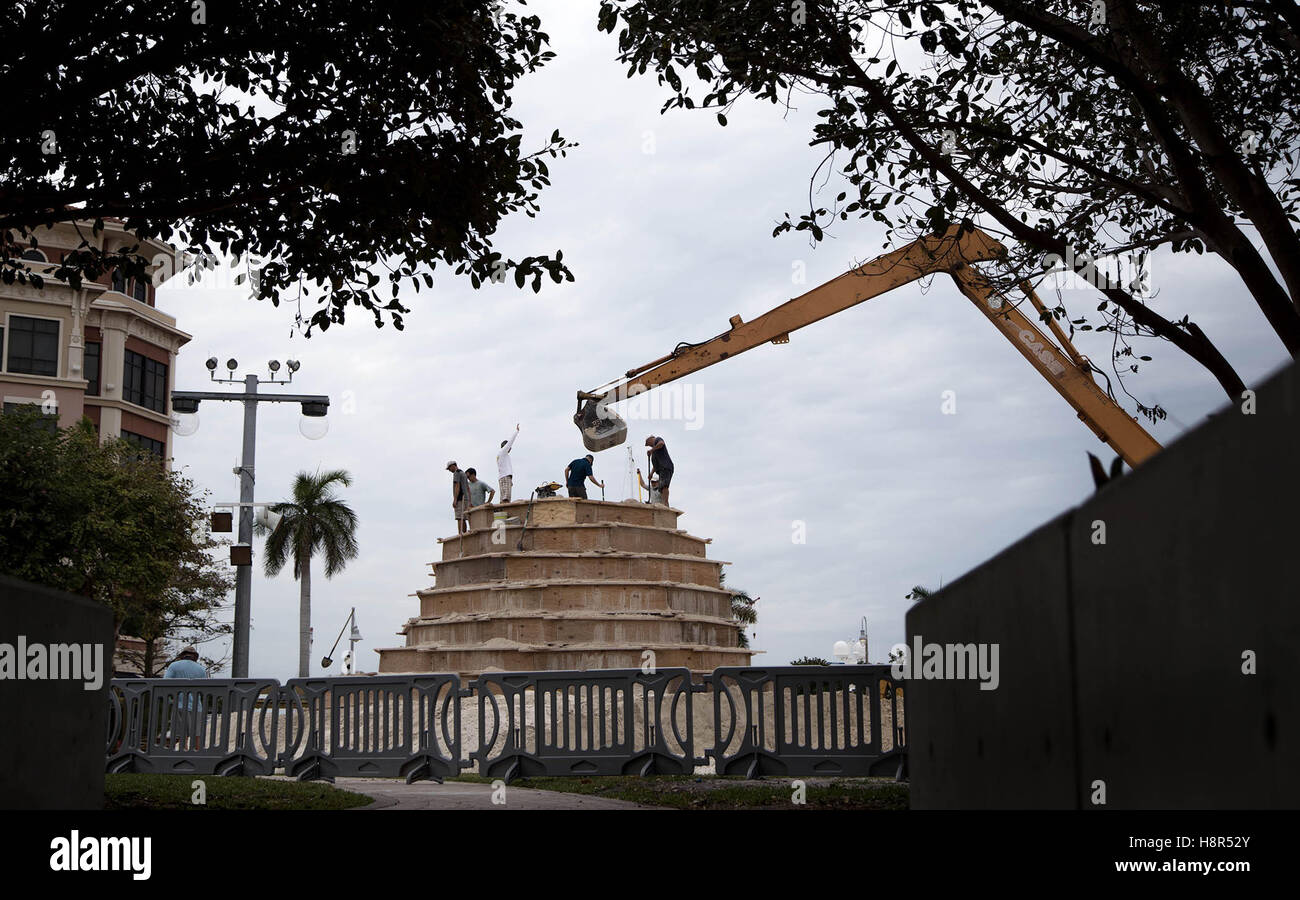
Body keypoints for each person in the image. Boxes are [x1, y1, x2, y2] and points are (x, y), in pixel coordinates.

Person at [164, 646, 206, 750]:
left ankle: (184, 753)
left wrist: (170, 700)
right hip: (197, 706)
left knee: (182, 733)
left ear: (182, 655)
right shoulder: (201, 669)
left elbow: (165, 683)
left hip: (180, 704)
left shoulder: (174, 666)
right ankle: (198, 754)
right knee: (197, 734)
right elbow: (205, 688)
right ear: (194, 657)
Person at [645, 435, 674, 507]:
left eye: (648, 443)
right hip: (661, 469)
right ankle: (664, 503)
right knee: (661, 488)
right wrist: (651, 474)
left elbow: (661, 444)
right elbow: (655, 466)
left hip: (665, 466)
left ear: (651, 439)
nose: (649, 446)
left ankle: (665, 504)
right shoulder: (654, 451)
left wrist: (652, 450)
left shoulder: (657, 440)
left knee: (664, 486)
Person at [497, 423, 519, 502]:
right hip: (505, 477)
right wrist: (516, 431)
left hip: (503, 477)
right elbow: (510, 442)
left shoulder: (501, 455)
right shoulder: (503, 452)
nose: (510, 449)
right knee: (506, 498)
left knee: (503, 498)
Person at [447, 461, 471, 534]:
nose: (449, 470)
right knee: (464, 517)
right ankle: (464, 533)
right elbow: (468, 487)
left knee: (459, 517)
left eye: (449, 468)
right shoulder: (463, 473)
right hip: (466, 498)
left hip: (460, 498)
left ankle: (460, 534)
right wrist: (470, 499)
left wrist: (455, 500)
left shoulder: (456, 473)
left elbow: (457, 486)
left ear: (453, 466)